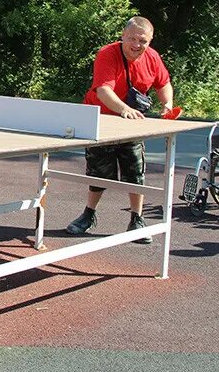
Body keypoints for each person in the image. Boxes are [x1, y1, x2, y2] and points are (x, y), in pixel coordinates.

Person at [64, 16, 174, 244]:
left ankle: (137, 219)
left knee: (135, 171)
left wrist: (167, 105)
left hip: (131, 123)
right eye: (132, 38)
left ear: (150, 41)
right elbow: (103, 90)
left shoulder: (152, 57)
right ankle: (88, 215)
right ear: (122, 36)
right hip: (101, 119)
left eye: (142, 40)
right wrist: (124, 109)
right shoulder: (107, 54)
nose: (137, 44)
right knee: (98, 172)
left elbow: (163, 84)